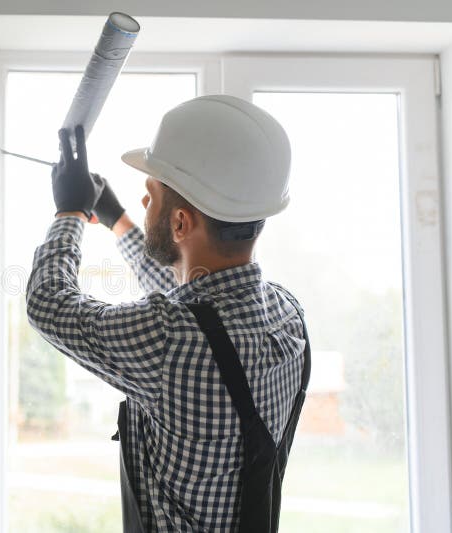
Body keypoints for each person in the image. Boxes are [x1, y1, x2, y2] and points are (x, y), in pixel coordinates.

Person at [25, 95, 311, 532]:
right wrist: (117, 218)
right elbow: (198, 308)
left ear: (179, 224)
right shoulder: (288, 317)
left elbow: (48, 304)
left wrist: (70, 212)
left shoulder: (168, 340)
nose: (144, 203)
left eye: (149, 195)